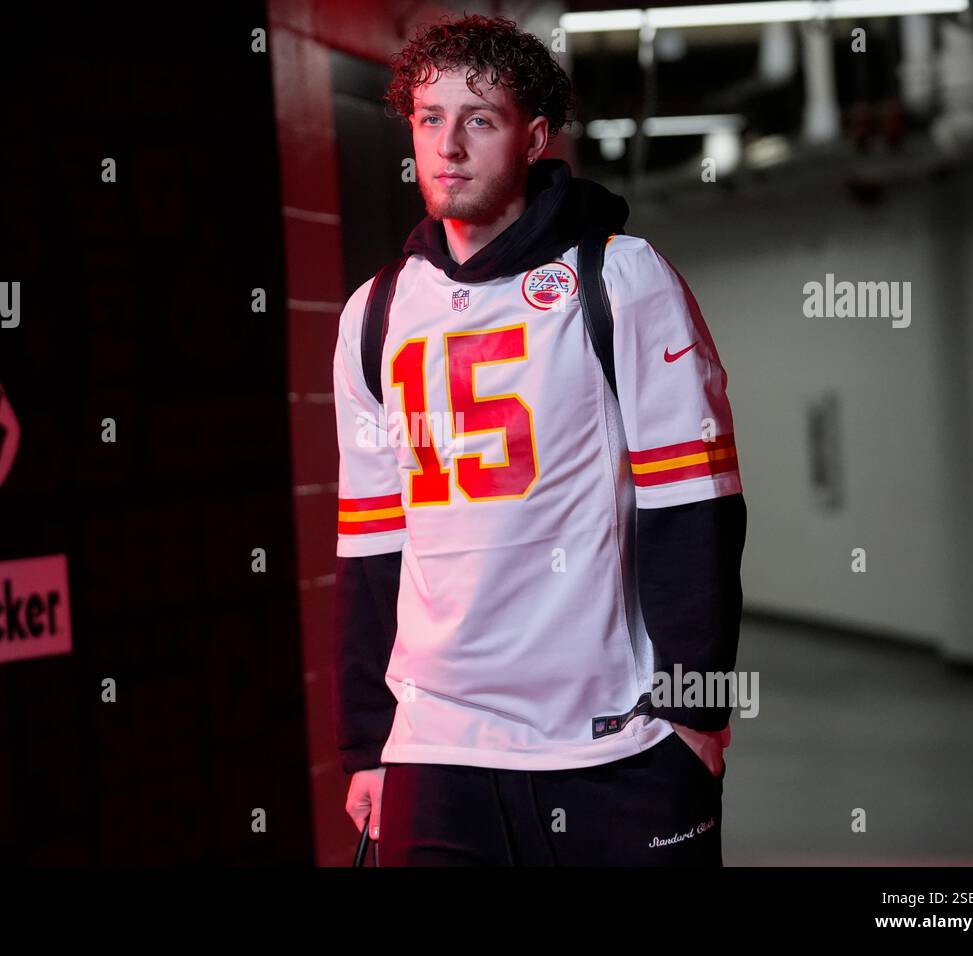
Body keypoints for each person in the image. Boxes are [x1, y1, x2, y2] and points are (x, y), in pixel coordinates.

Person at [332, 14, 747, 866]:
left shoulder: (621, 278)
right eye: (429, 117)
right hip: (434, 748)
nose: (448, 144)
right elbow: (372, 541)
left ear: (534, 135)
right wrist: (368, 742)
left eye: (479, 119)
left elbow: (694, 508)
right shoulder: (373, 313)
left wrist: (696, 714)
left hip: (612, 747)